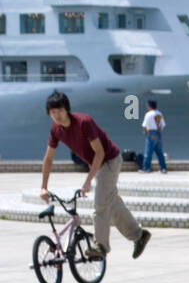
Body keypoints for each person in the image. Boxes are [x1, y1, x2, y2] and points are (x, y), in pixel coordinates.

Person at [40, 91, 150, 262]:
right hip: (97, 165)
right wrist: (43, 187)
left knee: (100, 203)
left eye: (60, 111)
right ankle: (139, 235)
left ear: (67, 109)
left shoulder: (84, 122)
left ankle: (101, 246)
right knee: (111, 204)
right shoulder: (56, 130)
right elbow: (48, 158)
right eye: (53, 113)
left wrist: (88, 181)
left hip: (110, 160)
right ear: (49, 114)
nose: (57, 116)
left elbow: (100, 152)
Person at [141, 100, 167, 174]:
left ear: (150, 106)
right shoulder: (159, 113)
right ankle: (163, 168)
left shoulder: (148, 114)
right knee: (160, 153)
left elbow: (144, 126)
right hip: (158, 133)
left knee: (148, 153)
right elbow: (163, 125)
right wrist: (158, 131)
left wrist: (146, 133)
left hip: (150, 133)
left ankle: (146, 168)